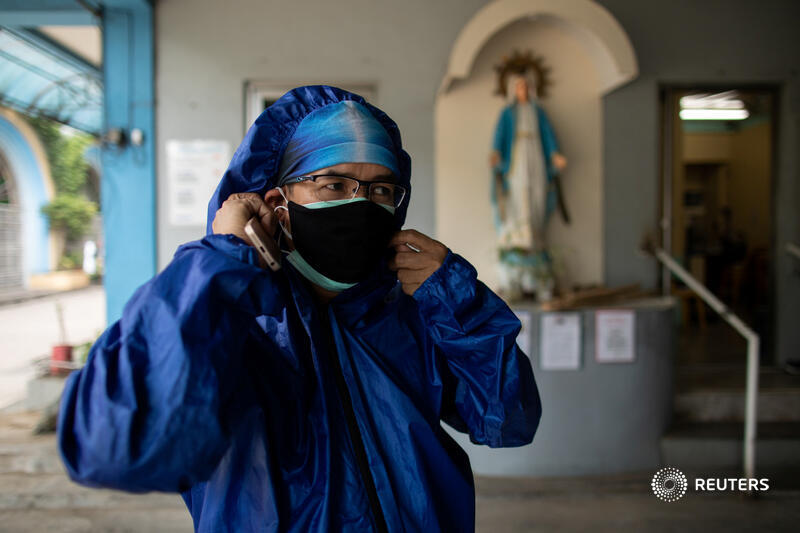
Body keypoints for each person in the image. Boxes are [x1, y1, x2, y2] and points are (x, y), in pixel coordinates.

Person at [57, 85, 542, 532]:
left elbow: (508, 420)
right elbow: (117, 446)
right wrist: (221, 262)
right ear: (276, 203)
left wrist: (459, 302)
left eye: (381, 190)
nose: (363, 204)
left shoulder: (414, 316)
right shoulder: (234, 329)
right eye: (333, 184)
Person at [490, 72, 567, 301]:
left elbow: (548, 135)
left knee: (536, 199)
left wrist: (554, 155)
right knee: (517, 199)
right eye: (519, 87)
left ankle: (535, 243)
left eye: (526, 86)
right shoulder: (508, 113)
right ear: (514, 90)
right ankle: (518, 245)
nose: (522, 91)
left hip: (536, 160)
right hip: (516, 163)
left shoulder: (537, 112)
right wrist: (495, 153)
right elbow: (499, 136)